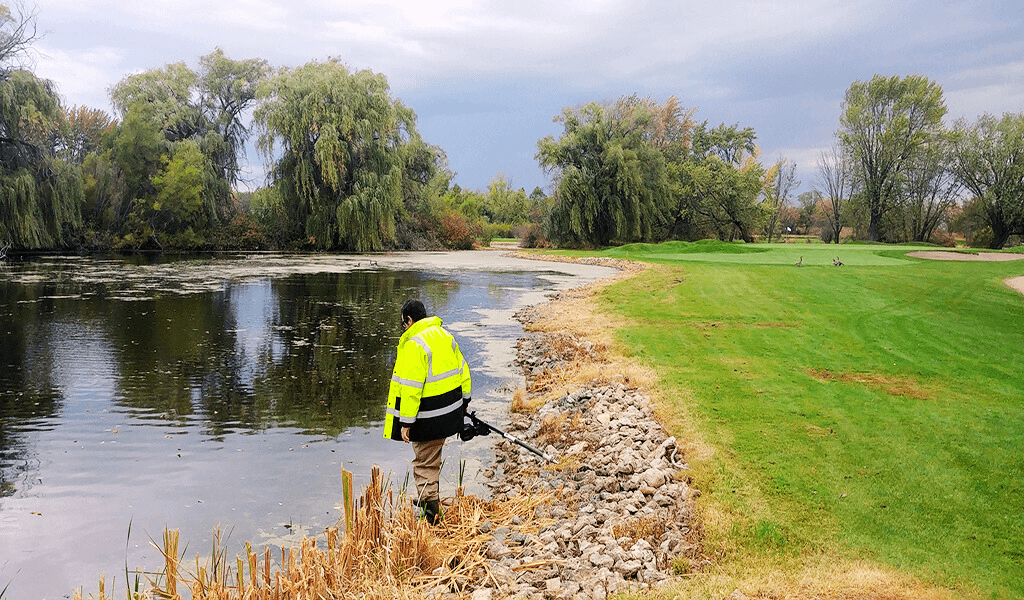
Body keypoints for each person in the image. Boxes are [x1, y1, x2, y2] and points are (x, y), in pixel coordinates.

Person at [383, 299, 472, 524]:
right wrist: (466, 402)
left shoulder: (414, 343)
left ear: (410, 320)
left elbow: (412, 388)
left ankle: (430, 512)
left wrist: (406, 422)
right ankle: (429, 499)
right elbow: (464, 371)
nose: (404, 328)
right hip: (449, 414)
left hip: (428, 417)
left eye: (403, 323)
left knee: (424, 460)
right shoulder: (444, 336)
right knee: (432, 456)